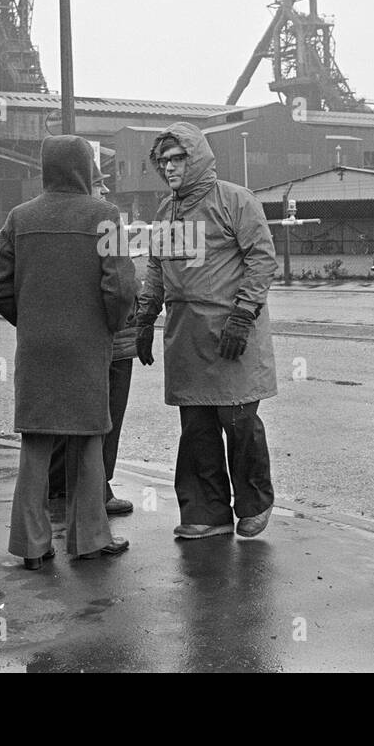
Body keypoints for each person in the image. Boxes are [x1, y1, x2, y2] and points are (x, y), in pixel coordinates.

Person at [0, 135, 137, 568]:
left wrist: (32, 320)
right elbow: (121, 285)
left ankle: (32, 546)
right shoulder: (104, 215)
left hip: (36, 346)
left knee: (36, 441)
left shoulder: (20, 217)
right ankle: (89, 539)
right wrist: (107, 324)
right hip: (86, 344)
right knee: (89, 436)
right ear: (86, 169)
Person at [134, 122, 280, 540]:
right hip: (186, 336)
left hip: (232, 330)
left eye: (177, 159)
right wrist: (146, 316)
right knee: (196, 426)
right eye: (164, 162)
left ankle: (254, 502)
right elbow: (157, 267)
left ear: (196, 157)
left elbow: (261, 258)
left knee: (239, 421)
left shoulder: (235, 200)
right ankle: (205, 512)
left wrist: (244, 312)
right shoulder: (166, 211)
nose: (170, 168)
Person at [47, 163, 138, 517]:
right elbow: (120, 285)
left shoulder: (44, 218)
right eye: (99, 185)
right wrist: (117, 323)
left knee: (63, 416)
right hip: (108, 339)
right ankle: (99, 492)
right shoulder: (104, 218)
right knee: (105, 418)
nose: (104, 192)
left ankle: (59, 486)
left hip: (63, 340)